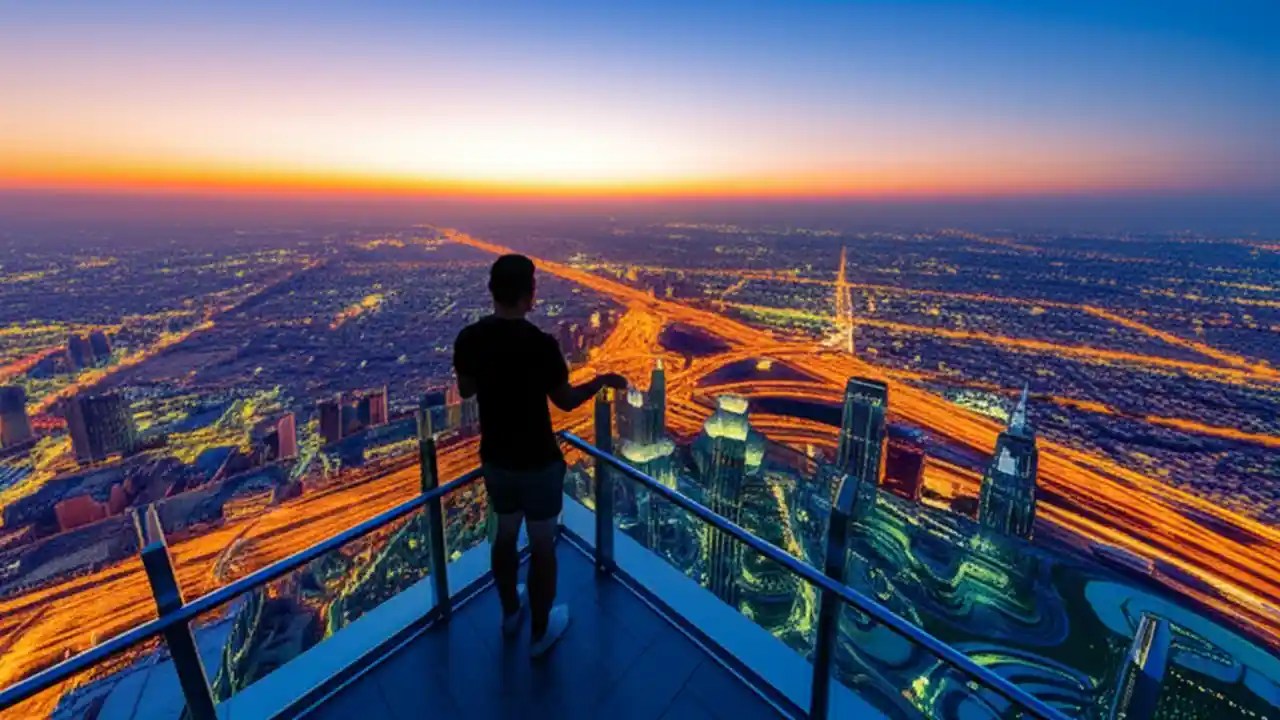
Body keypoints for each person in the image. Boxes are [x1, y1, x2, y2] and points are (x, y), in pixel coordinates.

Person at [453, 253, 626, 658]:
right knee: (543, 546)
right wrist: (601, 380)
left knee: (505, 537)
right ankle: (540, 632)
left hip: (496, 456)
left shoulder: (469, 339)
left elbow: (465, 391)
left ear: (492, 291)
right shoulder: (542, 345)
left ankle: (510, 613)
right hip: (538, 460)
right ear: (529, 295)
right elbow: (565, 402)